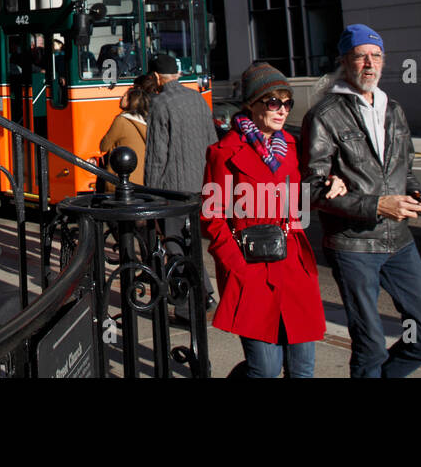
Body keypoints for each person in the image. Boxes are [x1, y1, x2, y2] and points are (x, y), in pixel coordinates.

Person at [303, 24, 421, 378]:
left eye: (376, 55)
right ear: (344, 61)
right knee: (370, 346)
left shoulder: (393, 109)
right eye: (360, 55)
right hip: (353, 245)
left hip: (399, 241)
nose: (369, 63)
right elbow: (311, 188)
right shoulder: (324, 115)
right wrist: (377, 205)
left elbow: (404, 171)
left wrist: (419, 195)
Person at [203, 64, 346, 377]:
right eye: (273, 102)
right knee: (264, 369)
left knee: (302, 368)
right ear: (251, 105)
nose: (281, 110)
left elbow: (303, 196)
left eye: (286, 103)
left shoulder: (292, 148)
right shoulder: (223, 152)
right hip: (250, 268)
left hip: (293, 265)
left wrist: (329, 183)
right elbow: (212, 219)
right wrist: (236, 267)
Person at [144, 53, 218, 318]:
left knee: (174, 244)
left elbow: (156, 155)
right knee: (192, 242)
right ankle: (205, 293)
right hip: (200, 185)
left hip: (172, 188)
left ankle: (190, 303)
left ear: (155, 77)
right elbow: (213, 143)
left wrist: (150, 195)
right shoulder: (197, 98)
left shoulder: (160, 103)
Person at [97, 74, 159, 184]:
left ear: (131, 101)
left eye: (125, 96)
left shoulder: (122, 121)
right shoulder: (147, 120)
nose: (121, 98)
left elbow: (104, 145)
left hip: (121, 179)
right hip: (143, 179)